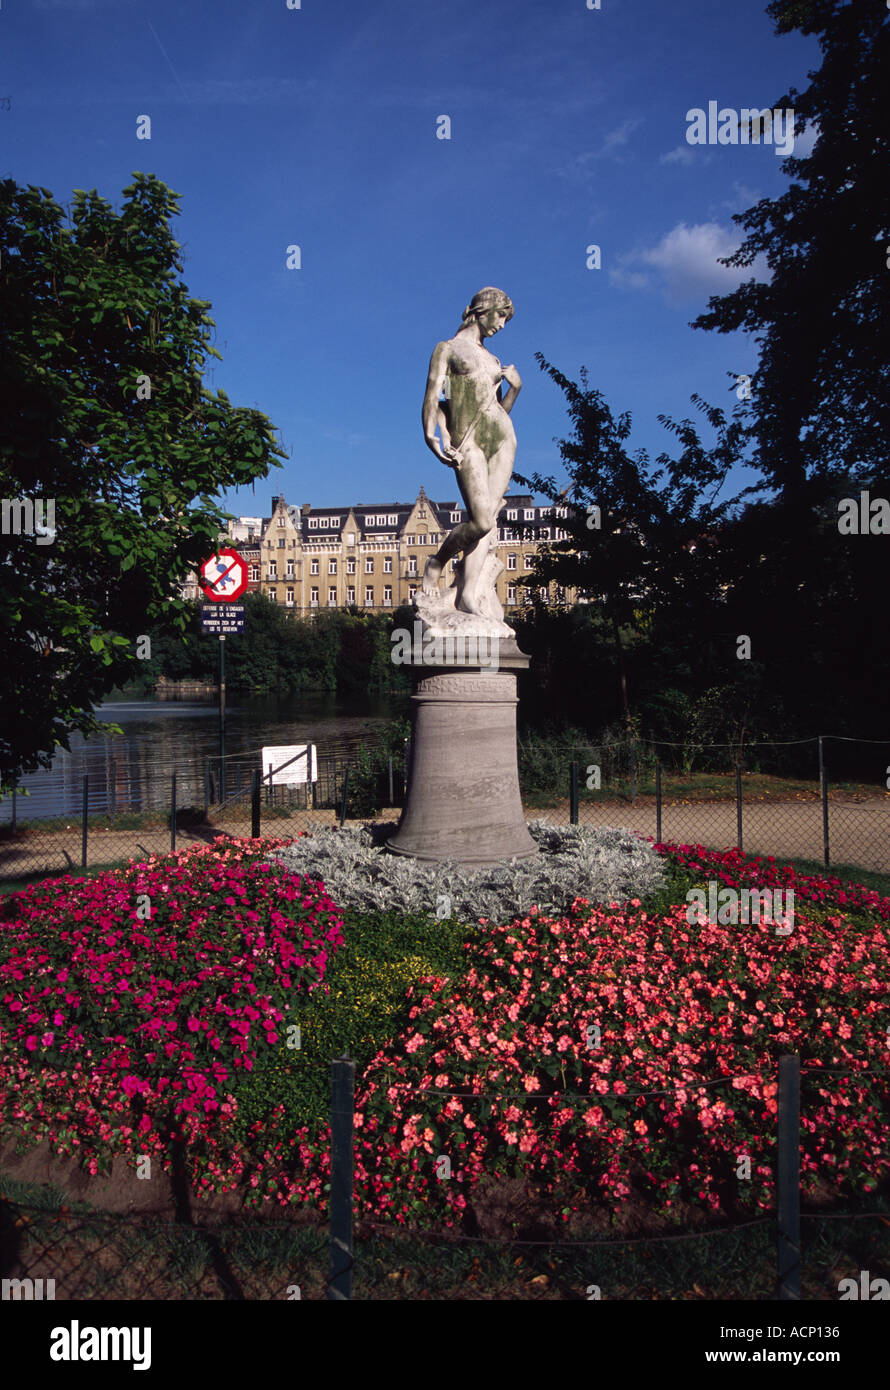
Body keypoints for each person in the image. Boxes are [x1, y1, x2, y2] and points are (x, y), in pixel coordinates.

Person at [422, 287, 521, 617]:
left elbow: (499, 410)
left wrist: (515, 389)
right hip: (469, 442)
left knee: (489, 521)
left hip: (502, 438)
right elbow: (433, 395)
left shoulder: (492, 358)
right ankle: (438, 560)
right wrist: (431, 435)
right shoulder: (447, 348)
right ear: (482, 311)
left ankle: (467, 595)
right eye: (501, 317)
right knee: (479, 520)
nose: (502, 326)